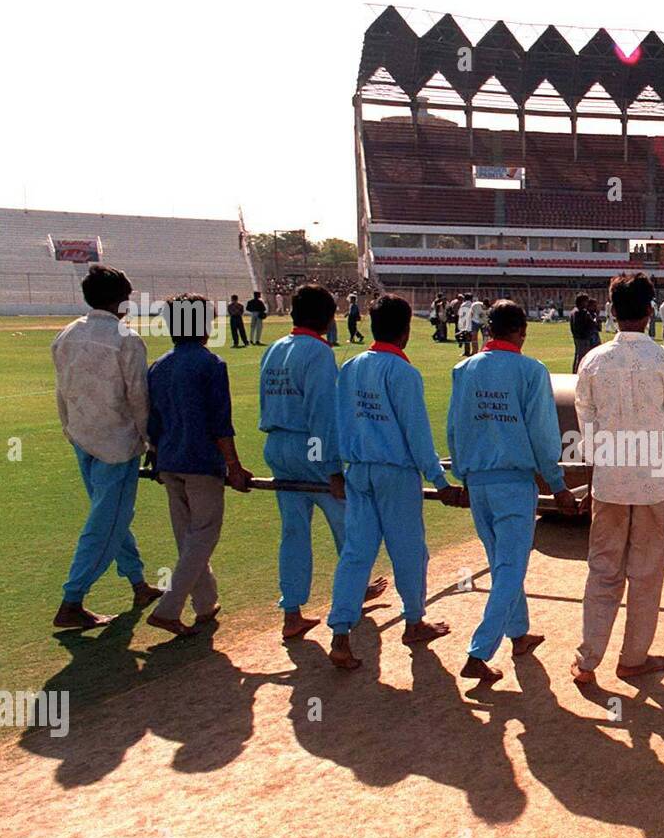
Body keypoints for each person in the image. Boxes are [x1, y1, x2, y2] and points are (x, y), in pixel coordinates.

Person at [571, 273, 664, 685]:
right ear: (649, 311)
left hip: (609, 480)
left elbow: (586, 433)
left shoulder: (593, 361)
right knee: (645, 572)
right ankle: (632, 658)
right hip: (652, 482)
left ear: (611, 310)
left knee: (603, 569)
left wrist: (593, 482)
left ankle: (588, 660)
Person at [447, 299, 578, 682]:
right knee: (509, 567)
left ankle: (518, 633)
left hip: (478, 481)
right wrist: (557, 484)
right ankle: (479, 652)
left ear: (488, 330)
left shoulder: (464, 369)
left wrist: (463, 475)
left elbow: (455, 429)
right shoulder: (530, 370)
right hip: (513, 484)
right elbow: (541, 433)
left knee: (504, 562)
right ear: (522, 331)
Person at [326, 295, 459, 669]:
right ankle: (414, 622)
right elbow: (417, 435)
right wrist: (440, 480)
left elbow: (338, 422)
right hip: (396, 474)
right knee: (409, 550)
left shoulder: (350, 366)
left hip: (358, 471)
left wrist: (335, 469)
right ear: (406, 330)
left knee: (356, 552)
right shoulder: (403, 373)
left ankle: (340, 633)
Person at [259, 283, 387, 641]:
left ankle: (292, 611)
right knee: (349, 525)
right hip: (309, 448)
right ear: (329, 317)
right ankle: (353, 592)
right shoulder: (317, 352)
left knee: (294, 531)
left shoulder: (274, 348)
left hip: (277, 444)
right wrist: (331, 468)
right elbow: (322, 416)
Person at [51, 265, 161, 628]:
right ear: (122, 300)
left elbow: (61, 391)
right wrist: (151, 440)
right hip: (116, 442)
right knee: (107, 520)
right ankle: (73, 599)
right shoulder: (125, 339)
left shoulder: (66, 335)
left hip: (82, 435)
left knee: (111, 514)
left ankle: (137, 581)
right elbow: (138, 398)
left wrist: (69, 428)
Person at [144, 294, 253, 637]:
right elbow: (221, 422)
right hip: (201, 461)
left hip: (169, 460)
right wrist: (233, 465)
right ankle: (169, 608)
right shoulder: (211, 365)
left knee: (187, 537)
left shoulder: (159, 366)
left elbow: (154, 419)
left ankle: (205, 603)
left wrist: (156, 453)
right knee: (204, 534)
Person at [569, 291, 598, 373]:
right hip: (584, 337)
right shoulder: (582, 312)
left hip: (577, 337)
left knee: (577, 356)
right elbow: (593, 324)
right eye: (586, 301)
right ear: (582, 302)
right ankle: (579, 372)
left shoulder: (574, 311)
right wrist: (595, 316)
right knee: (582, 357)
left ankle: (574, 372)